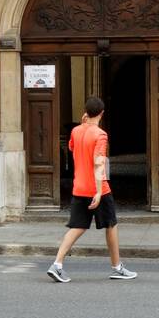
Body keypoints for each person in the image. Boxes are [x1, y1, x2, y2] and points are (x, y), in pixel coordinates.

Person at [47, 96, 137, 283]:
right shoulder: (101, 135)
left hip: (78, 187)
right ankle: (117, 267)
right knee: (111, 224)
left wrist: (81, 126)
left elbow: (72, 148)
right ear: (102, 113)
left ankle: (57, 264)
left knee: (77, 226)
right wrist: (97, 191)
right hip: (99, 189)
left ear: (86, 112)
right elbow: (98, 164)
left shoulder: (75, 131)